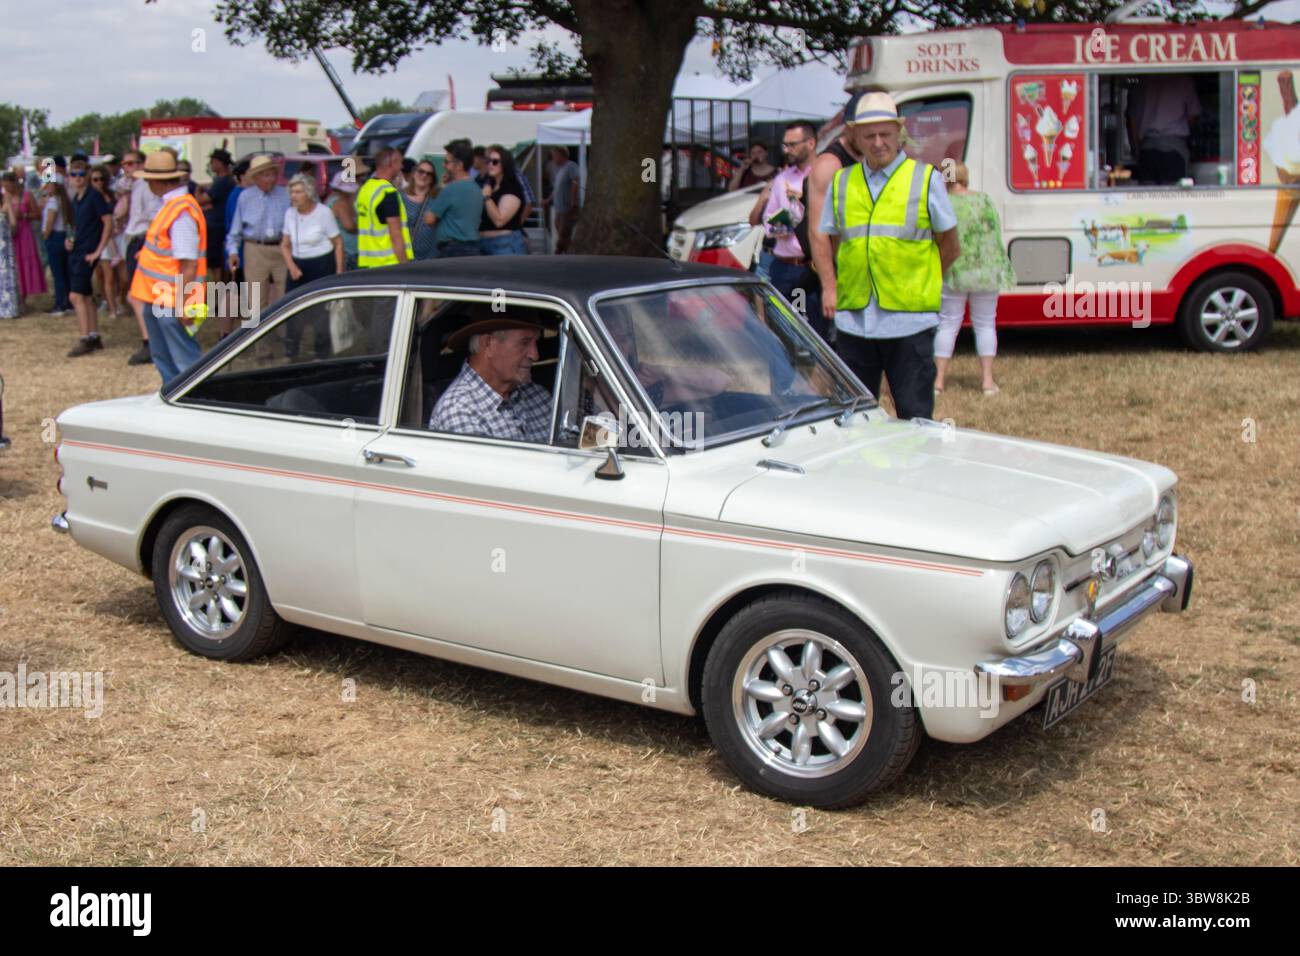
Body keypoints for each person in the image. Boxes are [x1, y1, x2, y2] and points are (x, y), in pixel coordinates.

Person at [819, 92, 960, 421]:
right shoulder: (842, 182)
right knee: (855, 419)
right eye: (869, 136)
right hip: (855, 322)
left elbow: (950, 245)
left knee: (915, 419)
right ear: (855, 137)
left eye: (885, 134)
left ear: (900, 133)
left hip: (909, 322)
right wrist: (834, 285)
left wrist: (921, 280)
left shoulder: (926, 180)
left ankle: (916, 474)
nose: (878, 142)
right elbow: (835, 240)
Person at [932, 163, 1016, 397]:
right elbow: (994, 234)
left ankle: (938, 381)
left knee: (948, 324)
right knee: (986, 324)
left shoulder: (943, 202)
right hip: (986, 271)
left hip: (954, 270)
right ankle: (987, 382)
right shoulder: (985, 200)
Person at [127, 150, 206, 385]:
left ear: (157, 181)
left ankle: (194, 404)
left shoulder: (181, 212)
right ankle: (174, 401)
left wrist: (183, 304)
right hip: (160, 296)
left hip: (172, 300)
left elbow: (188, 264)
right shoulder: (173, 206)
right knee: (165, 358)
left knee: (185, 363)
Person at [804, 92, 866, 341]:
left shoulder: (873, 158)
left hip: (865, 278)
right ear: (849, 128)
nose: (873, 140)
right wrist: (830, 287)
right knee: (836, 358)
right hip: (839, 278)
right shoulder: (830, 165)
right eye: (864, 131)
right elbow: (817, 232)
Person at [429, 316, 552, 441]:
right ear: (488, 344)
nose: (535, 355)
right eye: (524, 343)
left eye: (535, 343)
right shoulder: (459, 410)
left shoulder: (537, 394)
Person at [755, 121, 817, 324]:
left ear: (811, 143)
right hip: (783, 266)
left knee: (815, 332)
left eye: (792, 144)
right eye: (785, 145)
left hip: (811, 268)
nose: (787, 150)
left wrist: (802, 202)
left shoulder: (823, 175)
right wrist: (787, 220)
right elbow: (767, 221)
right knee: (782, 328)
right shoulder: (783, 179)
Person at [226, 154, 290, 317]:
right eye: (266, 175)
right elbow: (235, 230)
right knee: (255, 300)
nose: (271, 179)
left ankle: (284, 336)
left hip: (281, 248)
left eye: (273, 174)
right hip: (255, 249)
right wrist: (233, 252)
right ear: (256, 177)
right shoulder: (245, 197)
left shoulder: (285, 194)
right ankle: (258, 340)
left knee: (286, 297)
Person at [65, 156, 115, 356]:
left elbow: (108, 221)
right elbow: (75, 224)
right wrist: (69, 239)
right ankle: (94, 336)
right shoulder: (76, 199)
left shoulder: (94, 196)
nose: (77, 177)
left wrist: (98, 250)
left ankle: (85, 338)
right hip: (78, 250)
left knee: (75, 296)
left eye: (81, 174)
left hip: (88, 253)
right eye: (73, 174)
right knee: (85, 296)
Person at [122, 149, 163, 364]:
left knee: (138, 296)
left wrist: (147, 245)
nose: (128, 168)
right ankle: (151, 341)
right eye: (125, 164)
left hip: (142, 239)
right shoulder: (135, 186)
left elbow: (156, 216)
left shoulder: (147, 187)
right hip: (137, 238)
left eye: (132, 163)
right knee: (138, 295)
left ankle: (150, 343)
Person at [1127, 74, 1200, 185]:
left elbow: (1132, 120)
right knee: (1172, 197)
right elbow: (1193, 115)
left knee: (1146, 198)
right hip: (1174, 149)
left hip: (1147, 149)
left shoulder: (1141, 81)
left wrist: (1136, 148)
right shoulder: (1184, 80)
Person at [281, 173, 343, 291]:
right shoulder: (289, 213)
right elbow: (285, 245)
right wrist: (291, 266)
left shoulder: (324, 212)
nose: (293, 196)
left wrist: (339, 273)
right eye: (292, 192)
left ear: (309, 193)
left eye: (298, 192)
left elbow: (338, 243)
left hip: (321, 265)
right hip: (298, 266)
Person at [354, 146, 411, 268]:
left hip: (369, 264)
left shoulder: (365, 189)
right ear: (392, 163)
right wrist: (405, 268)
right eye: (400, 162)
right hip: (389, 264)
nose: (402, 167)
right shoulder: (387, 193)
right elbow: (396, 236)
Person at [428, 139, 482, 258]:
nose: (443, 165)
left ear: (459, 165)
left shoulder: (450, 189)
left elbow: (429, 219)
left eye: (447, 162)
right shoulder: (477, 188)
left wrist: (441, 188)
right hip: (473, 248)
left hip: (452, 250)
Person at [3, 171, 46, 308]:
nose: (7, 188)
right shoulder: (4, 197)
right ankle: (13, 296)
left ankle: (23, 298)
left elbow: (38, 214)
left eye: (8, 185)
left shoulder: (27, 195)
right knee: (12, 263)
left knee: (24, 262)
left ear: (15, 183)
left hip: (25, 233)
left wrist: (25, 215)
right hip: (8, 235)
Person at [89, 165, 126, 319]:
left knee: (125, 278)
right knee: (108, 276)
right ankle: (112, 308)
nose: (99, 182)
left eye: (102, 179)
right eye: (95, 179)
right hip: (103, 238)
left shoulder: (113, 196)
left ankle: (121, 300)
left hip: (118, 236)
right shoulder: (89, 198)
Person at [478, 145, 528, 255]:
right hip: (484, 244)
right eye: (488, 161)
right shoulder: (489, 185)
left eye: (495, 162)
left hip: (504, 244)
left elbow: (499, 221)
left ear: (505, 164)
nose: (490, 164)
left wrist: (487, 198)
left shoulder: (512, 188)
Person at [40, 180, 73, 315]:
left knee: (57, 273)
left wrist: (46, 235)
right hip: (63, 235)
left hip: (54, 236)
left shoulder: (53, 201)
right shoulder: (63, 200)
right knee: (65, 272)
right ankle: (69, 302)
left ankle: (60, 303)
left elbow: (50, 220)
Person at [400, 158, 440, 260]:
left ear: (432, 178)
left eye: (429, 173)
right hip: (407, 255)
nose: (424, 175)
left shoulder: (438, 198)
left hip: (431, 256)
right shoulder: (400, 197)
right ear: (414, 173)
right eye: (421, 171)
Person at [326, 163, 362, 270]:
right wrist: (363, 226)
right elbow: (349, 226)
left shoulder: (331, 200)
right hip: (349, 249)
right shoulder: (341, 203)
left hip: (344, 247)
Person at [544, 146, 580, 253]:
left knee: (564, 232)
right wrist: (548, 200)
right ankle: (567, 252)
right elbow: (556, 188)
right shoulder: (560, 170)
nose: (553, 159)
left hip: (567, 207)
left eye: (554, 156)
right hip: (559, 208)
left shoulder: (571, 166)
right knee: (559, 231)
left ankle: (559, 252)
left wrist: (573, 199)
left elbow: (576, 180)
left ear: (561, 155)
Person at [0, 185, 20, 319]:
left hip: (4, 247)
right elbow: (13, 223)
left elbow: (13, 224)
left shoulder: (6, 202)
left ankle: (8, 307)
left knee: (5, 275)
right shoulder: (5, 202)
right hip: (4, 245)